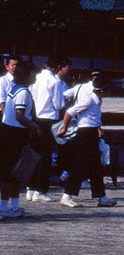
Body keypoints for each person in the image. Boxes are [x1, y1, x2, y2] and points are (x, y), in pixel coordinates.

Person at [56, 72, 116, 208]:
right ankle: (67, 196)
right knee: (79, 166)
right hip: (84, 134)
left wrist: (98, 128)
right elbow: (70, 112)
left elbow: (93, 117)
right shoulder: (89, 100)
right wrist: (64, 128)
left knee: (95, 167)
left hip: (92, 133)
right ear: (102, 91)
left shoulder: (97, 100)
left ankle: (102, 197)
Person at [26, 56, 71, 203]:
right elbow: (58, 104)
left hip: (35, 118)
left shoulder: (36, 78)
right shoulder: (54, 81)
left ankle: (31, 188)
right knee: (45, 157)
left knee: (35, 155)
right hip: (48, 120)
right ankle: (40, 190)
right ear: (58, 67)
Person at [1, 62, 40, 218]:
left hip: (9, 132)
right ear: (27, 74)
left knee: (13, 172)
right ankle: (3, 207)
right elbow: (19, 116)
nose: (35, 76)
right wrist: (35, 127)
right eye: (34, 73)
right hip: (15, 135)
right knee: (11, 172)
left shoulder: (15, 88)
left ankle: (13, 206)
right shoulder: (23, 92)